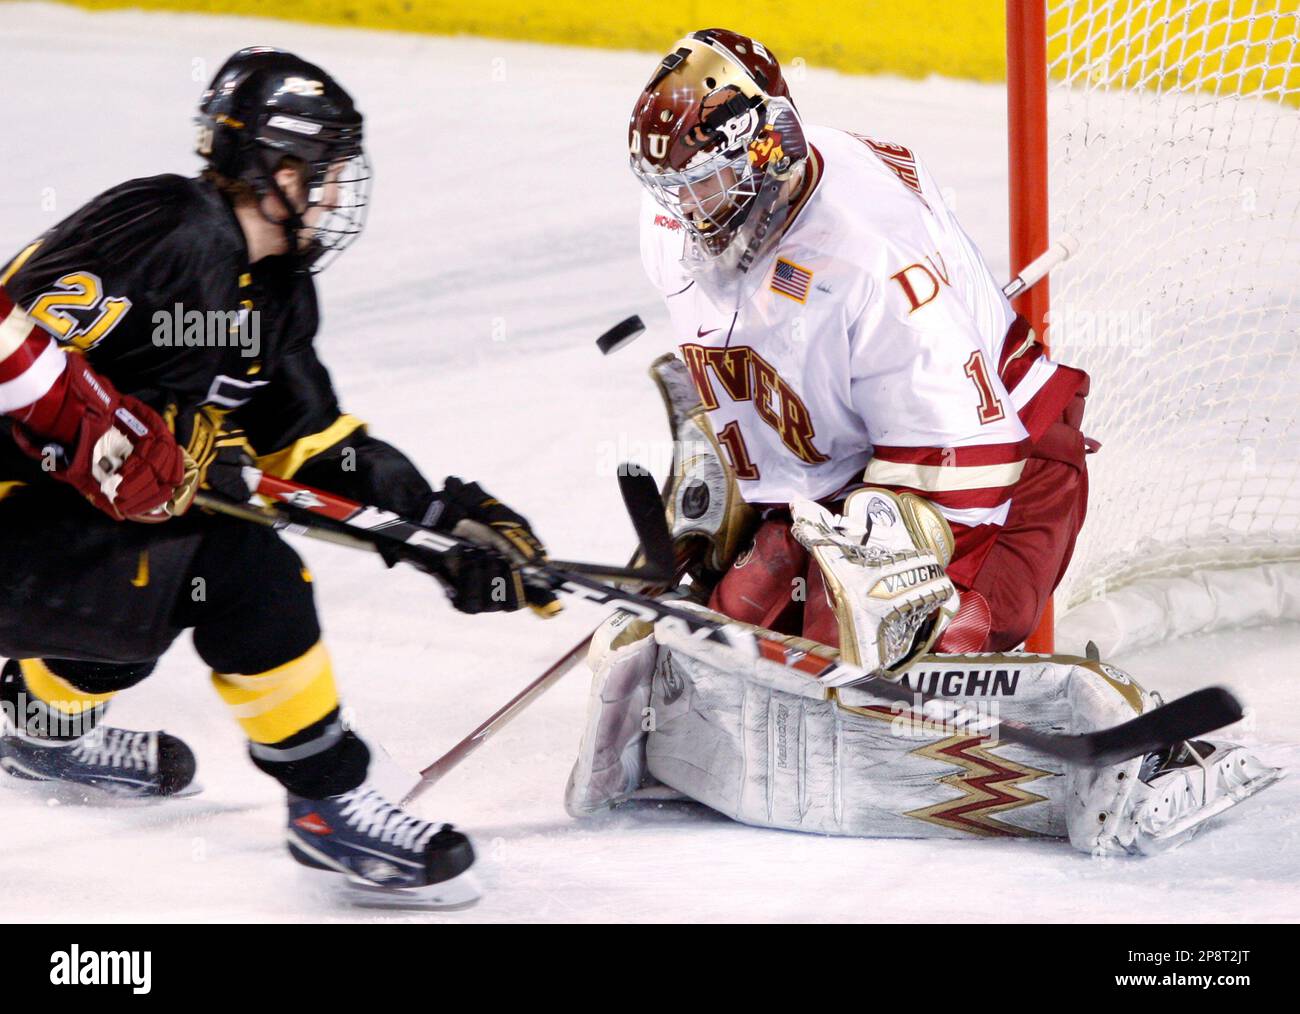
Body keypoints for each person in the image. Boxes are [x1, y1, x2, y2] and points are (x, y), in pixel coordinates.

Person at [565, 28, 1280, 855]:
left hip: (1006, 471)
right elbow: (745, 347)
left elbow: (971, 461)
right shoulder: (685, 218)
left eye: (708, 181)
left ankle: (1147, 753)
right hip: (852, 462)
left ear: (768, 149)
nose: (687, 209)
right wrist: (746, 491)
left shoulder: (873, 259)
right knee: (748, 598)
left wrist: (905, 608)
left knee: (882, 637)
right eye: (674, 186)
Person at [0, 47, 550, 905]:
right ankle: (329, 801)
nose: (335, 194)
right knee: (234, 562)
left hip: (52, 542)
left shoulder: (272, 293)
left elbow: (311, 446)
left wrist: (443, 526)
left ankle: (43, 722)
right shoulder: (171, 229)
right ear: (278, 166)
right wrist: (110, 446)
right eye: (326, 170)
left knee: (160, 557)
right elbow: (22, 361)